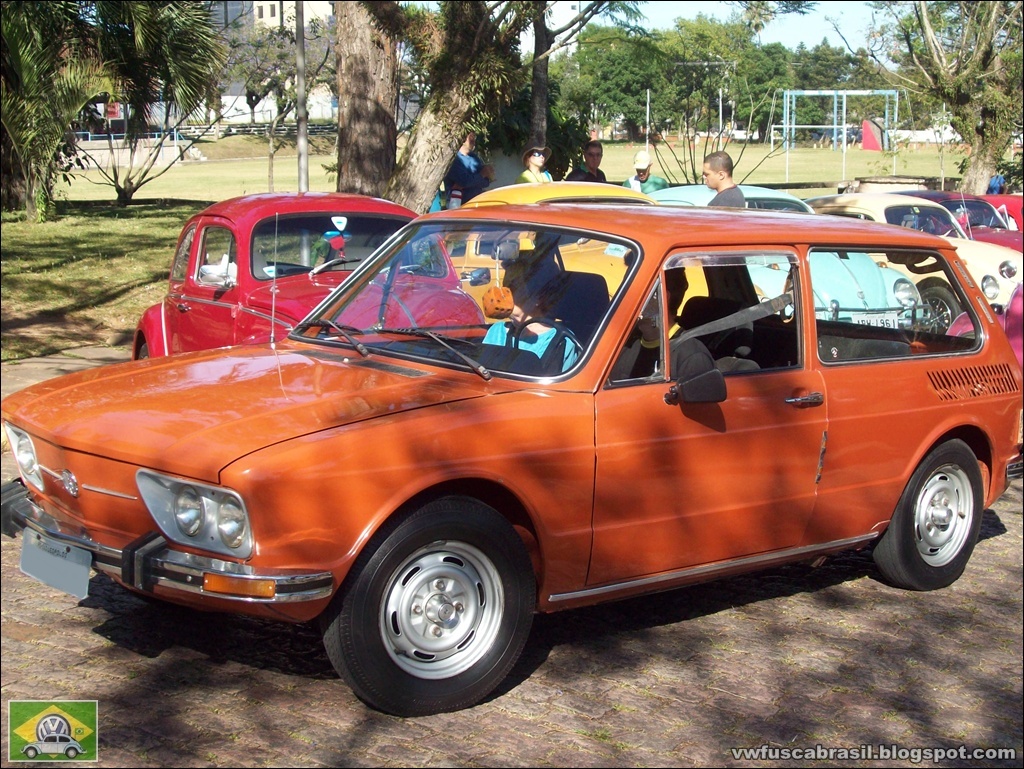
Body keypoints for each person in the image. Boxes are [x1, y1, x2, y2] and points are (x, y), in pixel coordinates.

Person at [443, 133, 494, 207]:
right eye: (470, 136)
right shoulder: (454, 159)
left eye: (474, 136)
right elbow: (463, 181)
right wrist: (482, 175)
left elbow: (486, 182)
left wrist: (476, 178)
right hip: (458, 205)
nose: (473, 139)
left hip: (476, 204)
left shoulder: (474, 158)